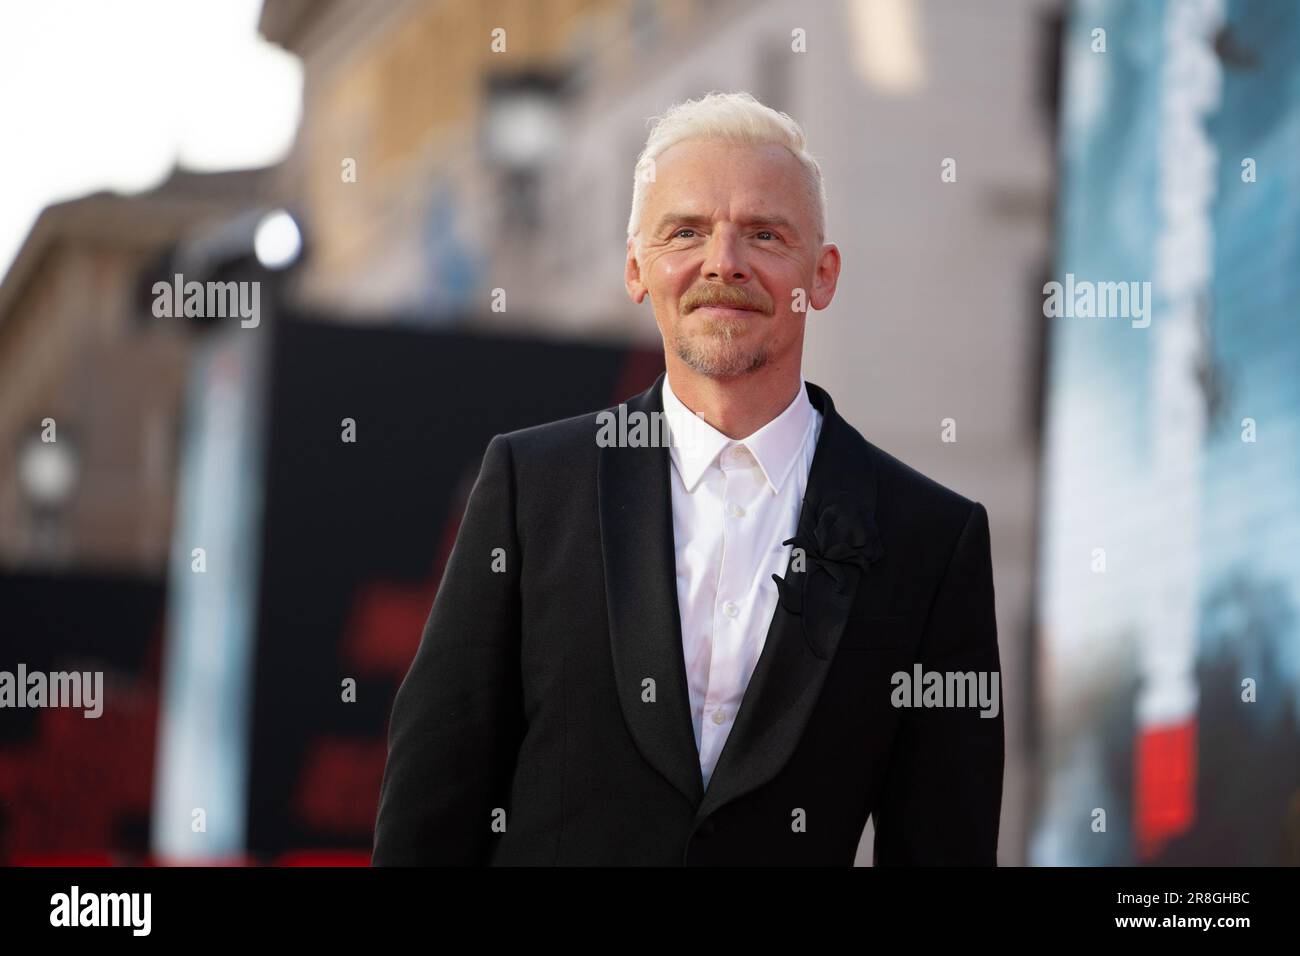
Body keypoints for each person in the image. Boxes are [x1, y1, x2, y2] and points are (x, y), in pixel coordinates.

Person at [372, 90, 1003, 865]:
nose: (723, 262)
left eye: (765, 234)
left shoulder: (932, 541)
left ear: (824, 273)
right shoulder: (529, 490)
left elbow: (946, 845)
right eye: (686, 232)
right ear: (637, 269)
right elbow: (431, 806)